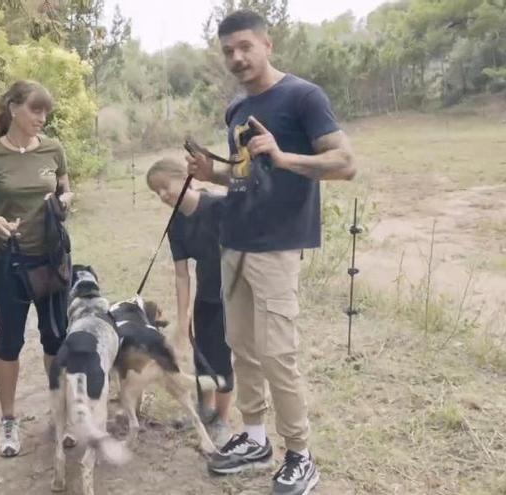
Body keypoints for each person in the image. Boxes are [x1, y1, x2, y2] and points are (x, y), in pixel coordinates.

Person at [187, 10, 356, 495]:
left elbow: (345, 163)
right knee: (242, 348)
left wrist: (285, 156)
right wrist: (211, 173)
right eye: (228, 52)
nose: (236, 58)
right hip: (234, 241)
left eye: (244, 46)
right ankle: (256, 438)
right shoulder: (236, 110)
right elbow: (246, 176)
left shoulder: (303, 96)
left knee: (278, 354)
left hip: (277, 246)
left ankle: (300, 456)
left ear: (267, 44)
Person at [0, 80, 74, 458]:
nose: (41, 118)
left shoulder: (53, 148)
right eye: (35, 110)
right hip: (10, 260)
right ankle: (9, 420)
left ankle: (60, 414)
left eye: (45, 111)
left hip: (51, 259)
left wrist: (64, 201)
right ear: (13, 108)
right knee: (8, 343)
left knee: (56, 338)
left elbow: (64, 190)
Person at [145, 158, 234, 446]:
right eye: (155, 192)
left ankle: (222, 419)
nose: (162, 195)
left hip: (233, 296)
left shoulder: (219, 207)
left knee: (221, 359)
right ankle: (203, 409)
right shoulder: (176, 225)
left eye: (164, 186)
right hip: (206, 295)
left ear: (184, 177)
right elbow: (182, 276)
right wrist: (183, 323)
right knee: (202, 356)